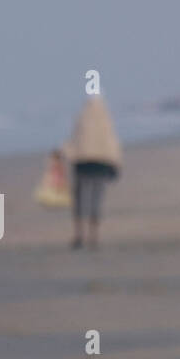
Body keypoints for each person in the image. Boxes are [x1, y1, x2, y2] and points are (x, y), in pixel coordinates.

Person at [60, 95, 122, 249]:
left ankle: (79, 235)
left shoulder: (82, 118)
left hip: (82, 165)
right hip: (100, 165)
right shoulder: (105, 120)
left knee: (80, 201)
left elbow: (73, 140)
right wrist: (116, 162)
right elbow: (112, 143)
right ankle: (94, 236)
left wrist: (64, 154)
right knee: (96, 200)